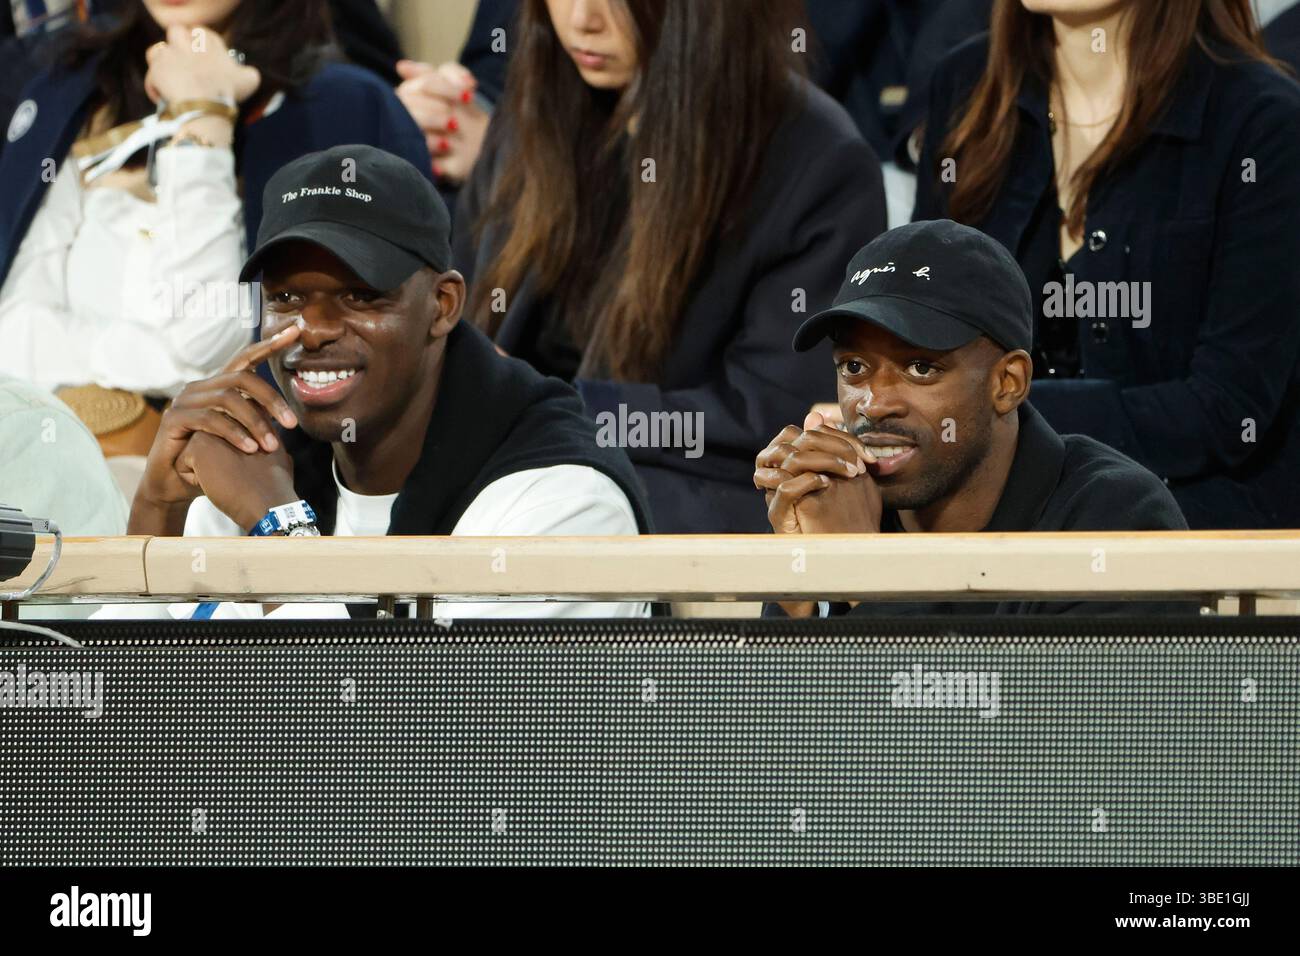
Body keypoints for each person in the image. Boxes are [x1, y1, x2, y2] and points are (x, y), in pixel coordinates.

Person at [104, 145, 651, 621]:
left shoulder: (561, 501)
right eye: (286, 299)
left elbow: (395, 732)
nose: (310, 331)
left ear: (443, 306)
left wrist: (281, 530)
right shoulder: (259, 464)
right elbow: (119, 711)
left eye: (360, 296)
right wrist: (157, 508)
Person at [455, 0, 887, 534]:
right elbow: (468, 317)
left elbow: (772, 414)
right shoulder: (534, 110)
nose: (582, 19)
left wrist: (558, 406)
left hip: (680, 492)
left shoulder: (815, 159)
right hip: (513, 465)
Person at [913, 0, 1300, 529]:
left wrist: (988, 416)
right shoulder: (965, 86)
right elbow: (920, 334)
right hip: (981, 516)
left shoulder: (1263, 121)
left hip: (1189, 525)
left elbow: (1229, 408)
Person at [754, 220, 1191, 617]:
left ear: (1008, 383)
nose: (873, 403)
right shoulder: (841, 506)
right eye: (853, 367)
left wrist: (866, 576)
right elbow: (766, 706)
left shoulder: (1114, 519)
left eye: (921, 368)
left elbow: (970, 703)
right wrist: (796, 592)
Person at [0, 0, 429, 399]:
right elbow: (13, 334)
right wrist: (158, 362)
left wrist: (202, 114)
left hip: (255, 466)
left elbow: (207, 347)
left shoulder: (344, 107)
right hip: (61, 442)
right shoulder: (72, 88)